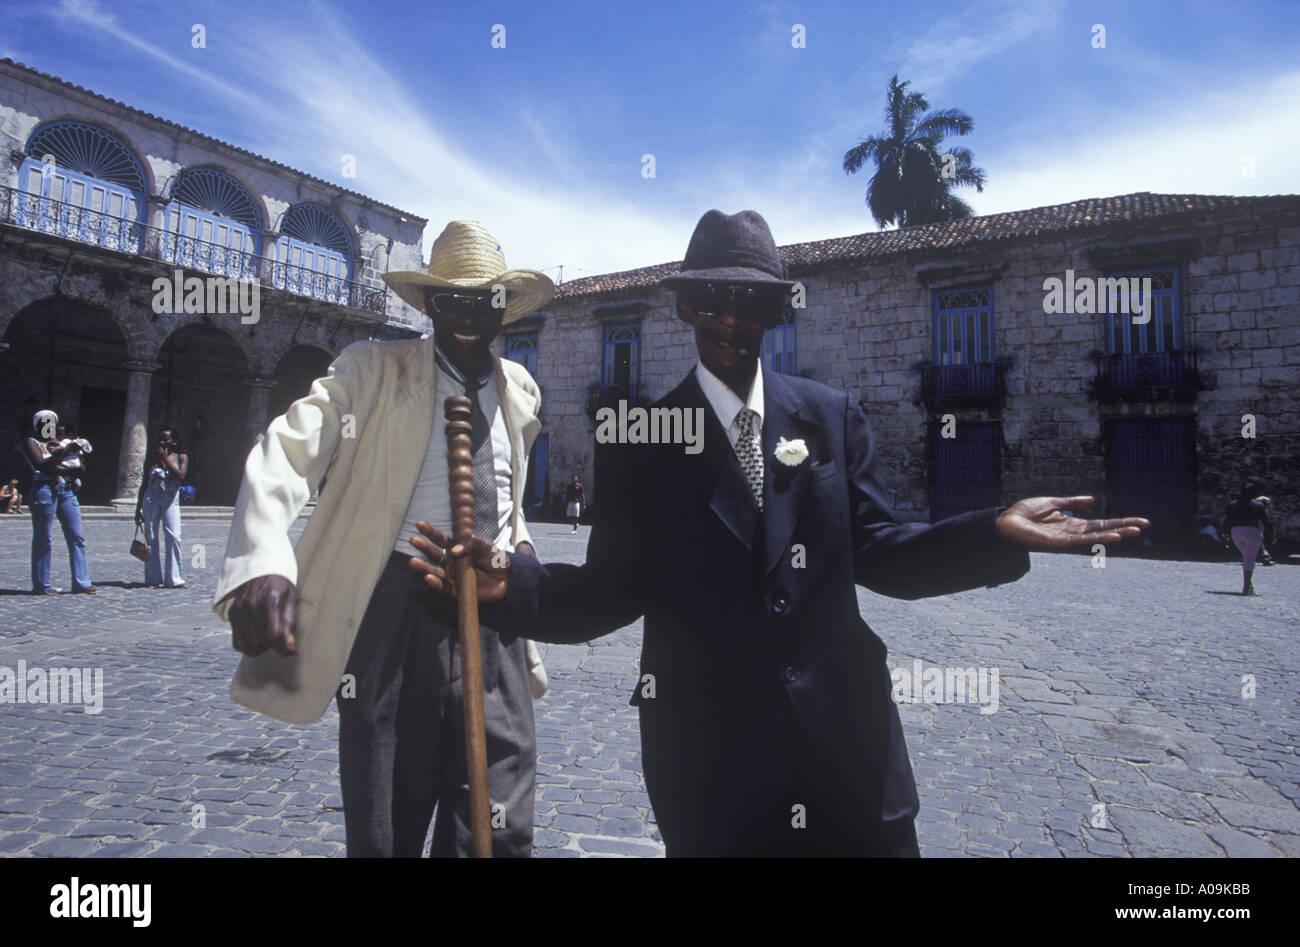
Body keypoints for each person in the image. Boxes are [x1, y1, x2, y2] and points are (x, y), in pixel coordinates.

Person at [410, 209, 1149, 857]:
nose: (730, 319)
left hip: (849, 757)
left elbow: (884, 551)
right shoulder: (639, 443)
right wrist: (515, 586)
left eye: (752, 300)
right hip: (712, 772)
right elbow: (611, 590)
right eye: (711, 298)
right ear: (686, 309)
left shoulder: (831, 416)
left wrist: (994, 533)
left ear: (774, 311)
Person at [212, 221, 553, 857]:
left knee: (501, 812)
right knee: (387, 815)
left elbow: (508, 499)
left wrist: (521, 550)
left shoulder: (521, 390)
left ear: (504, 306)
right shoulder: (371, 371)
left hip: (495, 615)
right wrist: (263, 560)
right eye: (451, 302)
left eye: (485, 301)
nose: (470, 317)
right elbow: (285, 453)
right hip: (397, 612)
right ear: (428, 306)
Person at [21, 409, 95, 595]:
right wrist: (64, 454)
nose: (48, 426)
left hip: (67, 490)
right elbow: (41, 466)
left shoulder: (61, 443)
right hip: (44, 490)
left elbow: (80, 469)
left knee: (76, 536)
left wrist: (63, 458)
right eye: (44, 423)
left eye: (51, 423)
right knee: (43, 537)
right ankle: (42, 584)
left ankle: (82, 582)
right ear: (37, 426)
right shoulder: (32, 442)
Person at [134, 429, 188, 589]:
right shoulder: (152, 458)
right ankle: (152, 578)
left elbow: (181, 475)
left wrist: (166, 459)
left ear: (174, 441)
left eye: (166, 440)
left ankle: (174, 578)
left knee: (173, 535)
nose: (162, 443)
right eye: (160, 439)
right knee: (151, 536)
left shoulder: (181, 457)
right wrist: (138, 509)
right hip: (151, 497)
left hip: (170, 499)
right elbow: (144, 483)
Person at [1222, 485, 1275, 595]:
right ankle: (1246, 586)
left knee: (1246, 557)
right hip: (1252, 531)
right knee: (1249, 558)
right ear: (1253, 494)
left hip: (1236, 531)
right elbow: (1265, 521)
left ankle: (1249, 585)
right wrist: (1271, 535)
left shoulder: (1233, 504)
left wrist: (1225, 533)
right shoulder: (1258, 505)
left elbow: (1228, 520)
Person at [55, 423, 92, 495]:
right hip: (75, 465)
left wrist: (55, 449)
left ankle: (60, 481)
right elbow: (87, 450)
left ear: (68, 434)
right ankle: (76, 481)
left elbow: (60, 449)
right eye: (57, 433)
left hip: (68, 465)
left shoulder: (66, 442)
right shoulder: (75, 443)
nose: (58, 436)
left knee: (58, 471)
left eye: (60, 434)